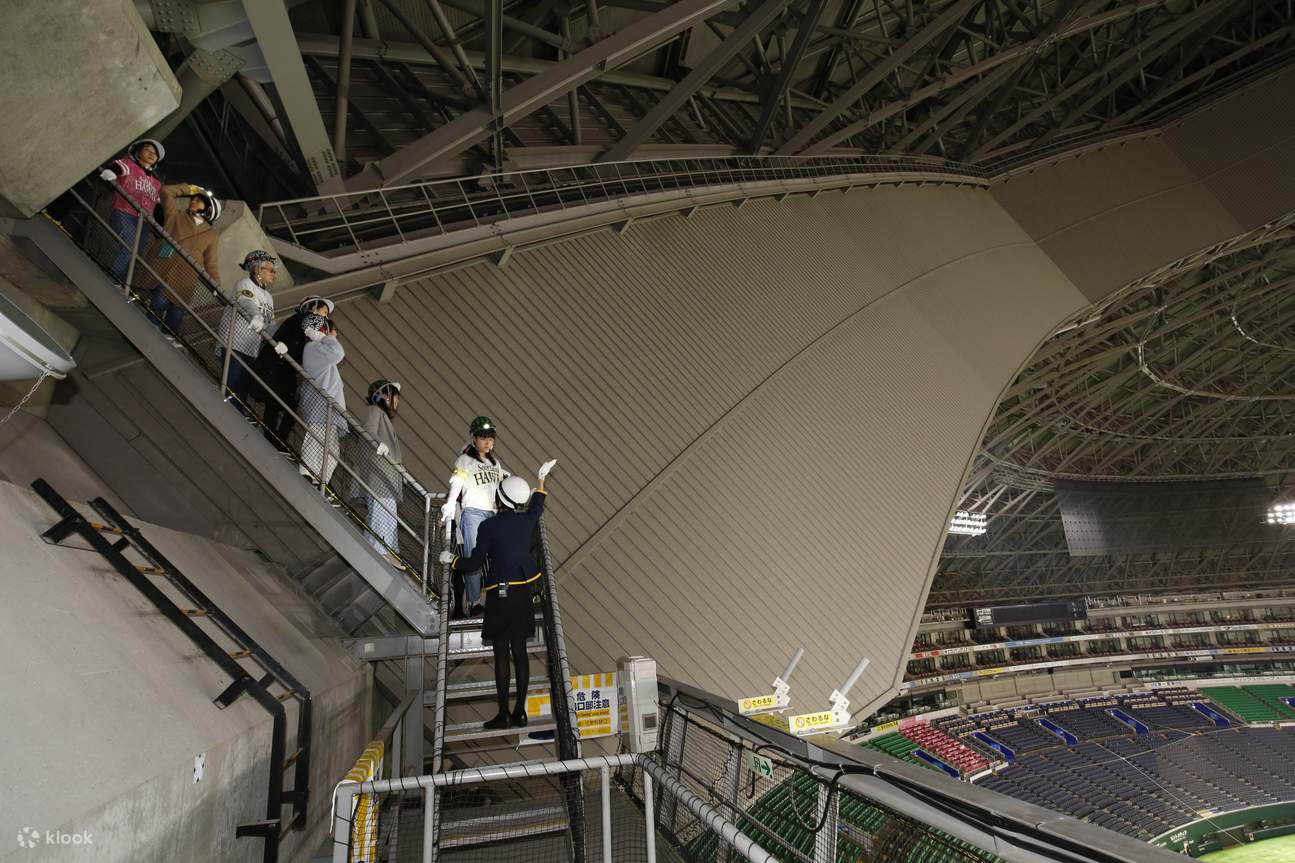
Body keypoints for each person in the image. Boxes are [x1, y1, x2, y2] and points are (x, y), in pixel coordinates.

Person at [439, 459, 557, 729]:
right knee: (521, 653)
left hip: (499, 595)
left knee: (502, 655)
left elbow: (473, 563)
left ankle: (503, 714)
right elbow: (537, 505)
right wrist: (540, 482)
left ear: (499, 498)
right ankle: (520, 713)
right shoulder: (527, 520)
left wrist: (451, 560)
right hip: (524, 592)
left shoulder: (488, 527)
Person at [440, 416, 510, 617]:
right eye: (483, 437)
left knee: (501, 557)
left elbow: (501, 488)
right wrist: (451, 502)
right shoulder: (465, 460)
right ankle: (474, 602)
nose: (488, 442)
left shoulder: (495, 463)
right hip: (473, 513)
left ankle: (501, 597)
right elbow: (457, 482)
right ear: (474, 438)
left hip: (493, 514)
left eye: (491, 438)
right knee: (474, 558)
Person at [255, 295, 335, 453]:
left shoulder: (301, 329)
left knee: (281, 404)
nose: (325, 316)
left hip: (280, 371)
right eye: (323, 311)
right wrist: (320, 337)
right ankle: (275, 439)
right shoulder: (304, 319)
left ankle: (275, 439)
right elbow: (308, 326)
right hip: (275, 368)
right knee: (281, 404)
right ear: (313, 308)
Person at [143, 185, 222, 344]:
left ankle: (169, 337)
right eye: (194, 198)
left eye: (199, 200)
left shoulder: (211, 235)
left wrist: (216, 285)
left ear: (208, 209)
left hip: (187, 277)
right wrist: (190, 189)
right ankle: (147, 333)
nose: (193, 201)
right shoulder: (175, 216)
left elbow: (211, 262)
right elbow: (166, 192)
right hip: (167, 268)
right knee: (159, 301)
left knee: (177, 311)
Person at [97, 139, 165, 284]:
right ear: (138, 151)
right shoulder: (129, 165)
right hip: (124, 212)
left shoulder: (156, 183)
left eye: (155, 153)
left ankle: (121, 283)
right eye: (148, 150)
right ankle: (112, 282)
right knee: (130, 246)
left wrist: (160, 226)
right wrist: (111, 171)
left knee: (137, 254)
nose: (152, 154)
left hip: (144, 222)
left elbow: (157, 205)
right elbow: (117, 166)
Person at [219, 250, 276, 417]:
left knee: (243, 385)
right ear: (257, 269)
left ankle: (238, 415)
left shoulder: (269, 297)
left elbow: (271, 323)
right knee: (233, 382)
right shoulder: (244, 283)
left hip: (252, 348)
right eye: (270, 270)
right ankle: (229, 413)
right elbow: (246, 302)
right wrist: (256, 315)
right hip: (235, 342)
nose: (274, 274)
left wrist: (277, 342)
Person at [298, 314, 347, 494]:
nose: (335, 336)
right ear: (322, 331)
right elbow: (338, 352)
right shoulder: (312, 347)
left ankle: (321, 480)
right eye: (332, 332)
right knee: (316, 440)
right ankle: (307, 473)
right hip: (321, 405)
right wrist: (323, 337)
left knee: (332, 450)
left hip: (329, 408)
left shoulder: (318, 349)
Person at [362, 379, 403, 566]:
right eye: (395, 396)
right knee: (382, 513)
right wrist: (378, 443)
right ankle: (380, 551)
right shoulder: (375, 410)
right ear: (384, 395)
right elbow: (368, 431)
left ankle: (382, 550)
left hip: (387, 478)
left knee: (386, 515)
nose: (397, 401)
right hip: (380, 476)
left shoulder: (384, 417)